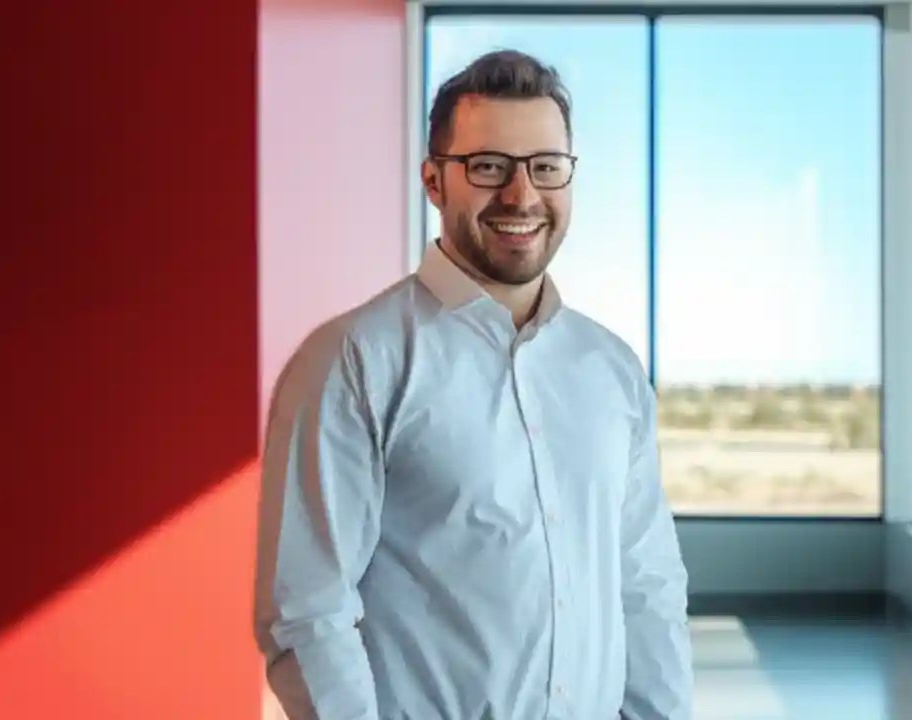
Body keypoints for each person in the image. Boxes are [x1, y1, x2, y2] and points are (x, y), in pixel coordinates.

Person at [254, 49, 693, 720]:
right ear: (435, 181)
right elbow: (307, 612)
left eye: (546, 167)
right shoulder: (354, 360)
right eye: (489, 167)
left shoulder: (612, 372)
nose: (522, 195)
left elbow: (646, 587)